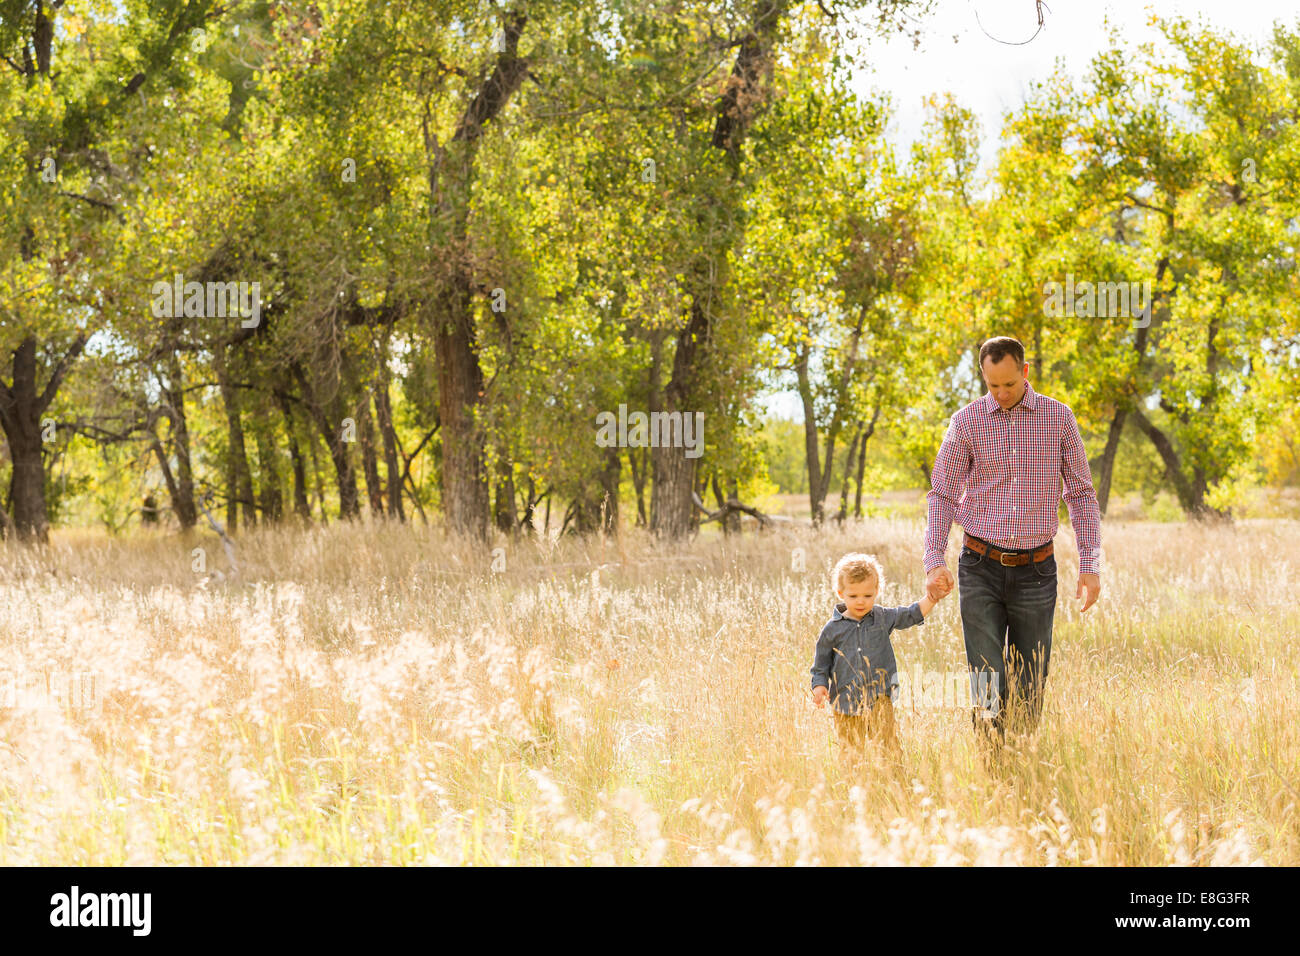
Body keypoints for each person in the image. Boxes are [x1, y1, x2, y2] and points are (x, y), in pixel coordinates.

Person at [923, 336, 1102, 759]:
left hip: (1036, 571)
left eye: (1008, 384)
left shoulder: (1058, 418)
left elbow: (1081, 494)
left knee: (1030, 679)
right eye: (992, 386)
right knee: (986, 675)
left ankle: (1021, 760)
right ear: (984, 377)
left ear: (1025, 371)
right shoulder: (966, 422)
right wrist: (934, 560)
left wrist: (1090, 564)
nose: (1001, 394)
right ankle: (992, 762)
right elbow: (942, 494)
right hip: (979, 565)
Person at [810, 552, 942, 763]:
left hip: (880, 699)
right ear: (840, 593)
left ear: (877, 591)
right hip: (845, 703)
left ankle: (893, 782)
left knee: (889, 748)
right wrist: (819, 686)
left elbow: (910, 614)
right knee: (851, 753)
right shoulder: (831, 630)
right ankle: (855, 787)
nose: (861, 602)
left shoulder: (882, 617)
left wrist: (932, 598)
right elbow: (821, 665)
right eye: (853, 596)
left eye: (868, 596)